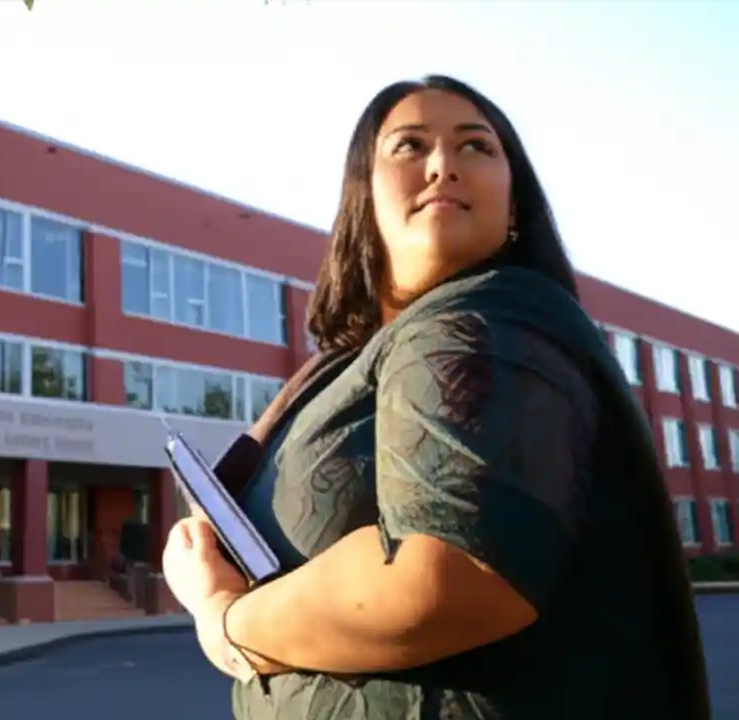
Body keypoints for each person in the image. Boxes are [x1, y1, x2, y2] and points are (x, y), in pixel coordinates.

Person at [161, 74, 710, 719]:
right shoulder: (350, 366)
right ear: (363, 196)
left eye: (476, 147)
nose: (444, 164)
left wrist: (226, 622)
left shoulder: (481, 321)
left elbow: (444, 581)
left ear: (513, 207)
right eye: (410, 146)